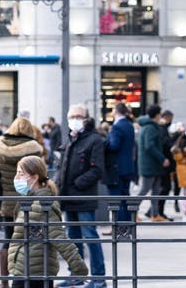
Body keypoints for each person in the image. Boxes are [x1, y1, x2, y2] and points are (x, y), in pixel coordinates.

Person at [8, 155, 88, 288]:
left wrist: (79, 268)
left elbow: (59, 238)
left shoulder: (43, 205)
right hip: (25, 268)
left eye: (21, 174)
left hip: (34, 271)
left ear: (34, 177)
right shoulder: (29, 200)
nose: (16, 178)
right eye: (17, 173)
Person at [55, 103, 106, 288]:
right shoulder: (70, 139)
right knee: (73, 238)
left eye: (78, 116)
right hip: (67, 198)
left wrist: (77, 183)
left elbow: (98, 170)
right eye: (72, 117)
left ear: (86, 119)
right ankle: (76, 275)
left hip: (84, 197)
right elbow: (62, 166)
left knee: (90, 236)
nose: (74, 120)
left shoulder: (94, 140)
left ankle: (99, 278)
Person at [0, 116, 44, 288]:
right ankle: (23, 278)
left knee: (8, 240)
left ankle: (4, 280)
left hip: (7, 204)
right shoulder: (34, 148)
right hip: (28, 203)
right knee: (28, 241)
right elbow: (40, 176)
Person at [136, 103, 169, 222]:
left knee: (156, 190)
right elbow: (149, 146)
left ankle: (155, 214)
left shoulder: (150, 125)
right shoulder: (150, 127)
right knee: (145, 189)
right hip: (149, 164)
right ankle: (133, 212)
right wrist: (162, 158)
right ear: (157, 114)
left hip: (153, 164)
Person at [104, 102, 135, 222]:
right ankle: (127, 225)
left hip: (116, 167)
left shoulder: (116, 127)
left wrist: (104, 144)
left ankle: (120, 227)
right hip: (128, 166)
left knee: (116, 199)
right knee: (125, 197)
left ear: (115, 111)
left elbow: (114, 146)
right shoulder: (129, 125)